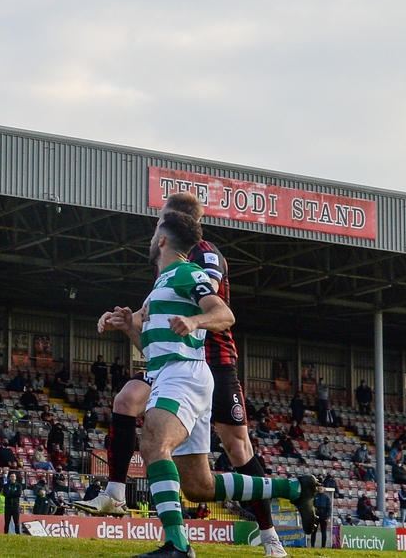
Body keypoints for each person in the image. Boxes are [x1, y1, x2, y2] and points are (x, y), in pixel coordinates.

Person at [86, 204, 317, 558]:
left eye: (153, 233)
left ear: (162, 240)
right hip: (170, 372)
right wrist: (128, 325)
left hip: (184, 375)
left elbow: (224, 313)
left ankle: (177, 546)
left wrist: (195, 322)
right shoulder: (162, 283)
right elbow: (149, 349)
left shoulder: (185, 272)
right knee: (198, 487)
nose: (150, 238)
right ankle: (293, 488)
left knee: (153, 445)